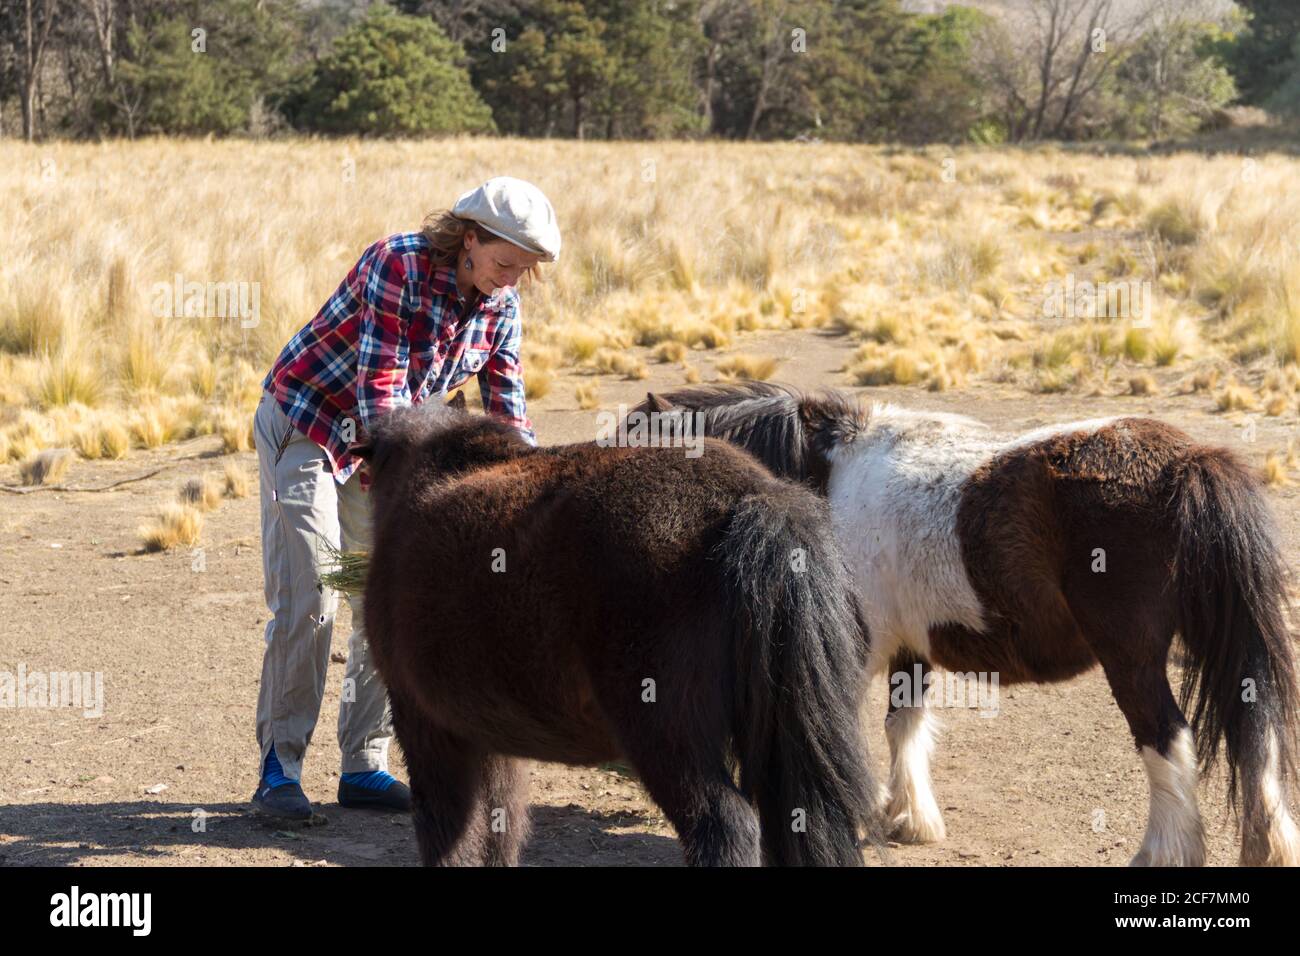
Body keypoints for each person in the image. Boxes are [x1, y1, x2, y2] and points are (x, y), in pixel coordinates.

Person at [250, 176, 560, 819]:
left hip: (386, 449)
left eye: (523, 272)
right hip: (308, 423)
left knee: (388, 601)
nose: (511, 280)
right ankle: (280, 767)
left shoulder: (501, 307)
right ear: (468, 240)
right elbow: (382, 392)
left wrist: (529, 500)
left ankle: (364, 765)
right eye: (505, 263)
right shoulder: (399, 264)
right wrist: (420, 496)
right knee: (312, 589)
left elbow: (509, 414)